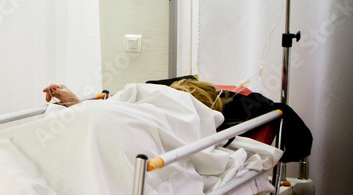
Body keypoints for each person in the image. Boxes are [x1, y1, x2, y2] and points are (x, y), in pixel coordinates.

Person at [44, 78, 311, 162]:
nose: (184, 90)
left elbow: (114, 109)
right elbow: (118, 106)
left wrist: (81, 106)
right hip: (115, 119)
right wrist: (82, 106)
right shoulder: (158, 95)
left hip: (119, 123)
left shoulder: (199, 111)